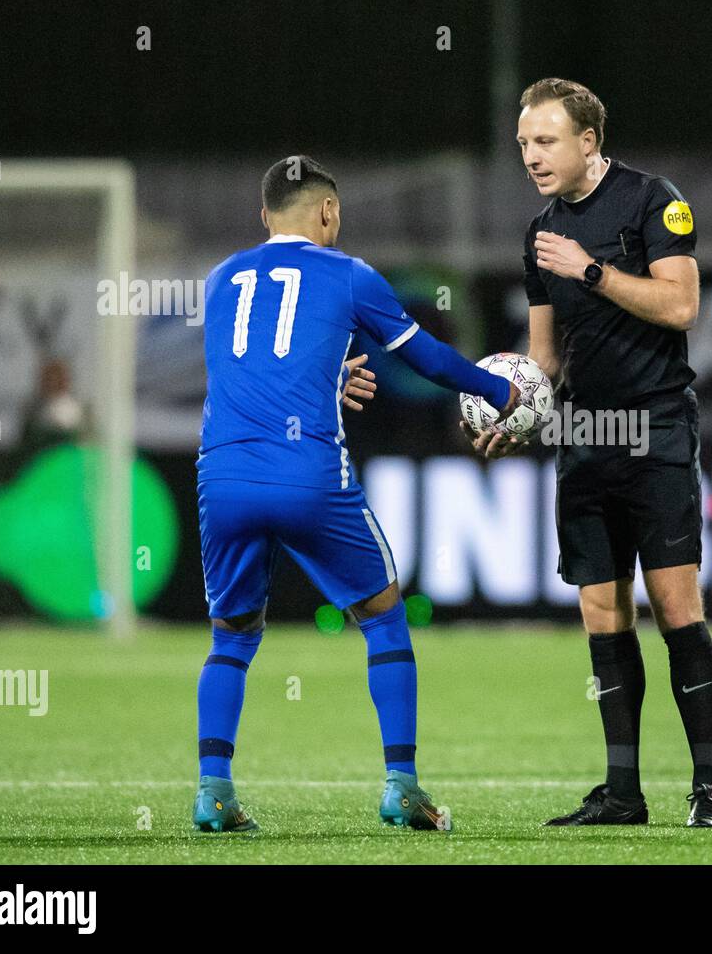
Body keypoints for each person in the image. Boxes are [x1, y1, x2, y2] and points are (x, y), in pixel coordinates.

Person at [192, 155, 518, 831]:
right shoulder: (348, 275)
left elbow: (253, 369)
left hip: (222, 476)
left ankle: (213, 793)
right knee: (383, 614)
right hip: (306, 474)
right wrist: (497, 389)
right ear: (329, 212)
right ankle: (402, 785)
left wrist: (327, 379)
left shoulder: (222, 279)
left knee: (231, 636)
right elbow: (423, 355)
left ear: (263, 218)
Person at [465, 78, 712, 827]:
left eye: (545, 141)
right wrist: (505, 409)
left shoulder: (655, 201)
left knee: (677, 608)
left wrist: (591, 269)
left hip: (657, 427)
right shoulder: (539, 234)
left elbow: (681, 305)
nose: (531, 156)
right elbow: (544, 358)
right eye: (523, 143)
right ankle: (622, 794)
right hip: (583, 436)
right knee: (601, 613)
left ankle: (706, 788)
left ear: (588, 141)